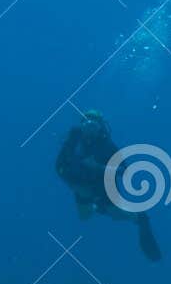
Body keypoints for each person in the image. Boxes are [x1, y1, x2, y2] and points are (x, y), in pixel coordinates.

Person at [55, 110, 162, 262]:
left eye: (94, 125)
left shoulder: (107, 145)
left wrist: (98, 167)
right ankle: (97, 207)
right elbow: (59, 166)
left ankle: (140, 217)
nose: (90, 129)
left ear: (101, 127)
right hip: (81, 187)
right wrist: (73, 184)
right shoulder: (72, 142)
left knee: (116, 213)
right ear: (81, 126)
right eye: (86, 124)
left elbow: (125, 171)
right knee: (84, 217)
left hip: (104, 188)